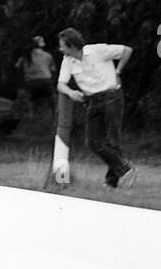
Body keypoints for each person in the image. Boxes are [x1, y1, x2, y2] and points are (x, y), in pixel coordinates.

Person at [56, 28, 137, 188]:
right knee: (93, 142)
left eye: (63, 46)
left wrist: (118, 70)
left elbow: (126, 50)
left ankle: (112, 181)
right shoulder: (67, 61)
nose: (61, 49)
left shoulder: (97, 50)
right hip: (92, 100)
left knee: (113, 140)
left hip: (111, 96)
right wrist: (71, 93)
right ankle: (125, 169)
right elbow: (60, 84)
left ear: (72, 45)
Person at [16, 35, 55, 113]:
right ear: (42, 45)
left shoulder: (25, 56)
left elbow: (17, 67)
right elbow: (53, 70)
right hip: (45, 82)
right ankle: (53, 115)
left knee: (32, 101)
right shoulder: (48, 55)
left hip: (30, 83)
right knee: (52, 99)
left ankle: (32, 115)